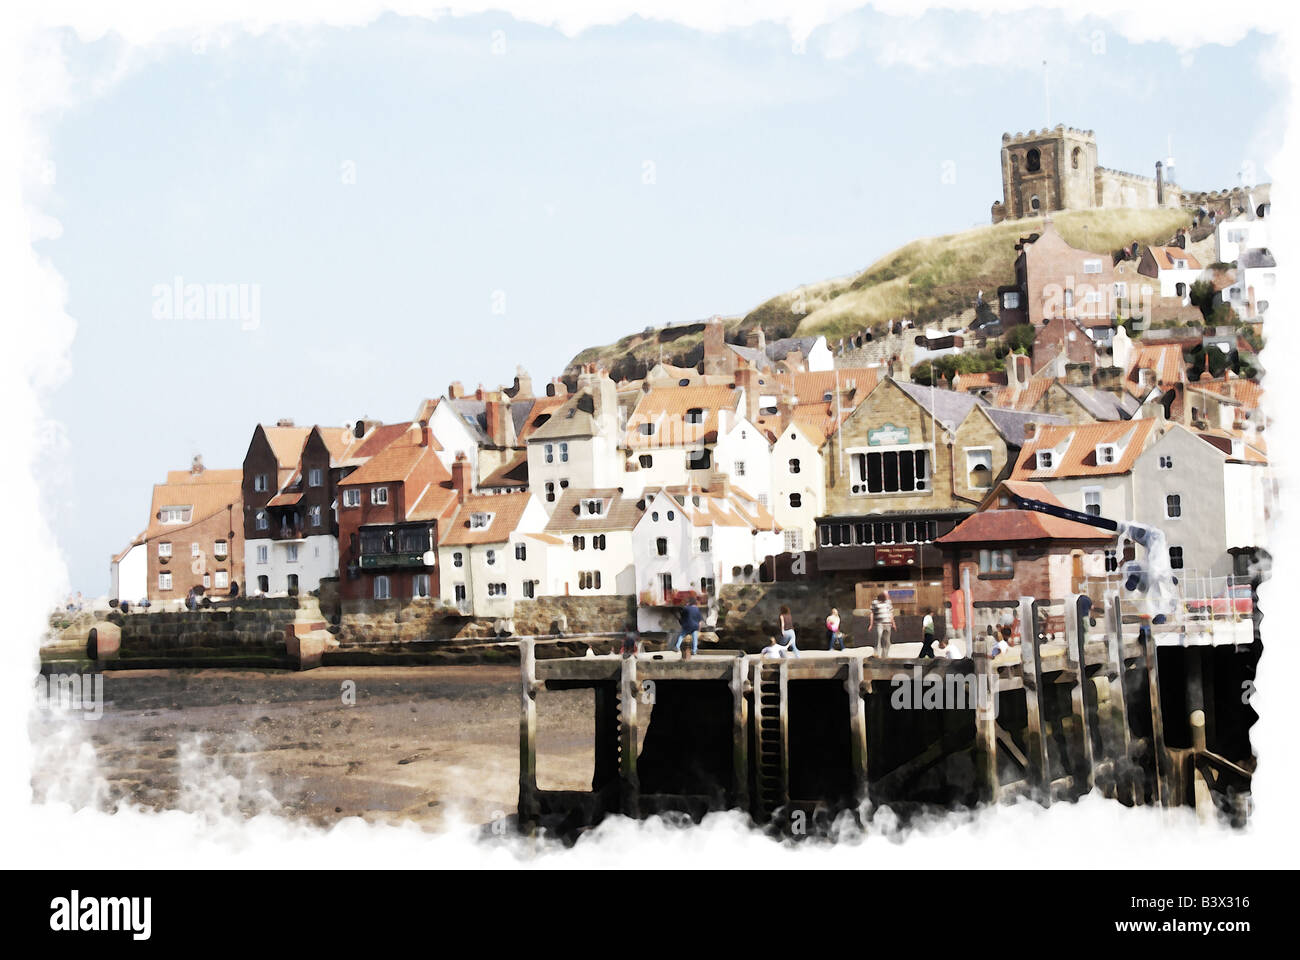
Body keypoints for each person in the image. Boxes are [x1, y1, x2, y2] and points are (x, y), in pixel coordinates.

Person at [869, 591, 894, 657]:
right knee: (878, 639)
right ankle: (877, 654)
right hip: (879, 623)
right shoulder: (875, 602)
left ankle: (885, 655)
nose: (888, 597)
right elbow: (872, 613)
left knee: (887, 641)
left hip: (888, 623)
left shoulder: (888, 602)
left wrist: (893, 623)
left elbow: (891, 613)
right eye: (886, 596)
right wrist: (871, 624)